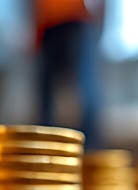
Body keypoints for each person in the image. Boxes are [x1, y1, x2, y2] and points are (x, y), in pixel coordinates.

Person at [35, 0, 102, 147]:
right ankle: (44, 148)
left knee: (85, 87)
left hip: (75, 17)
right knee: (46, 96)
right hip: (49, 22)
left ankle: (91, 150)